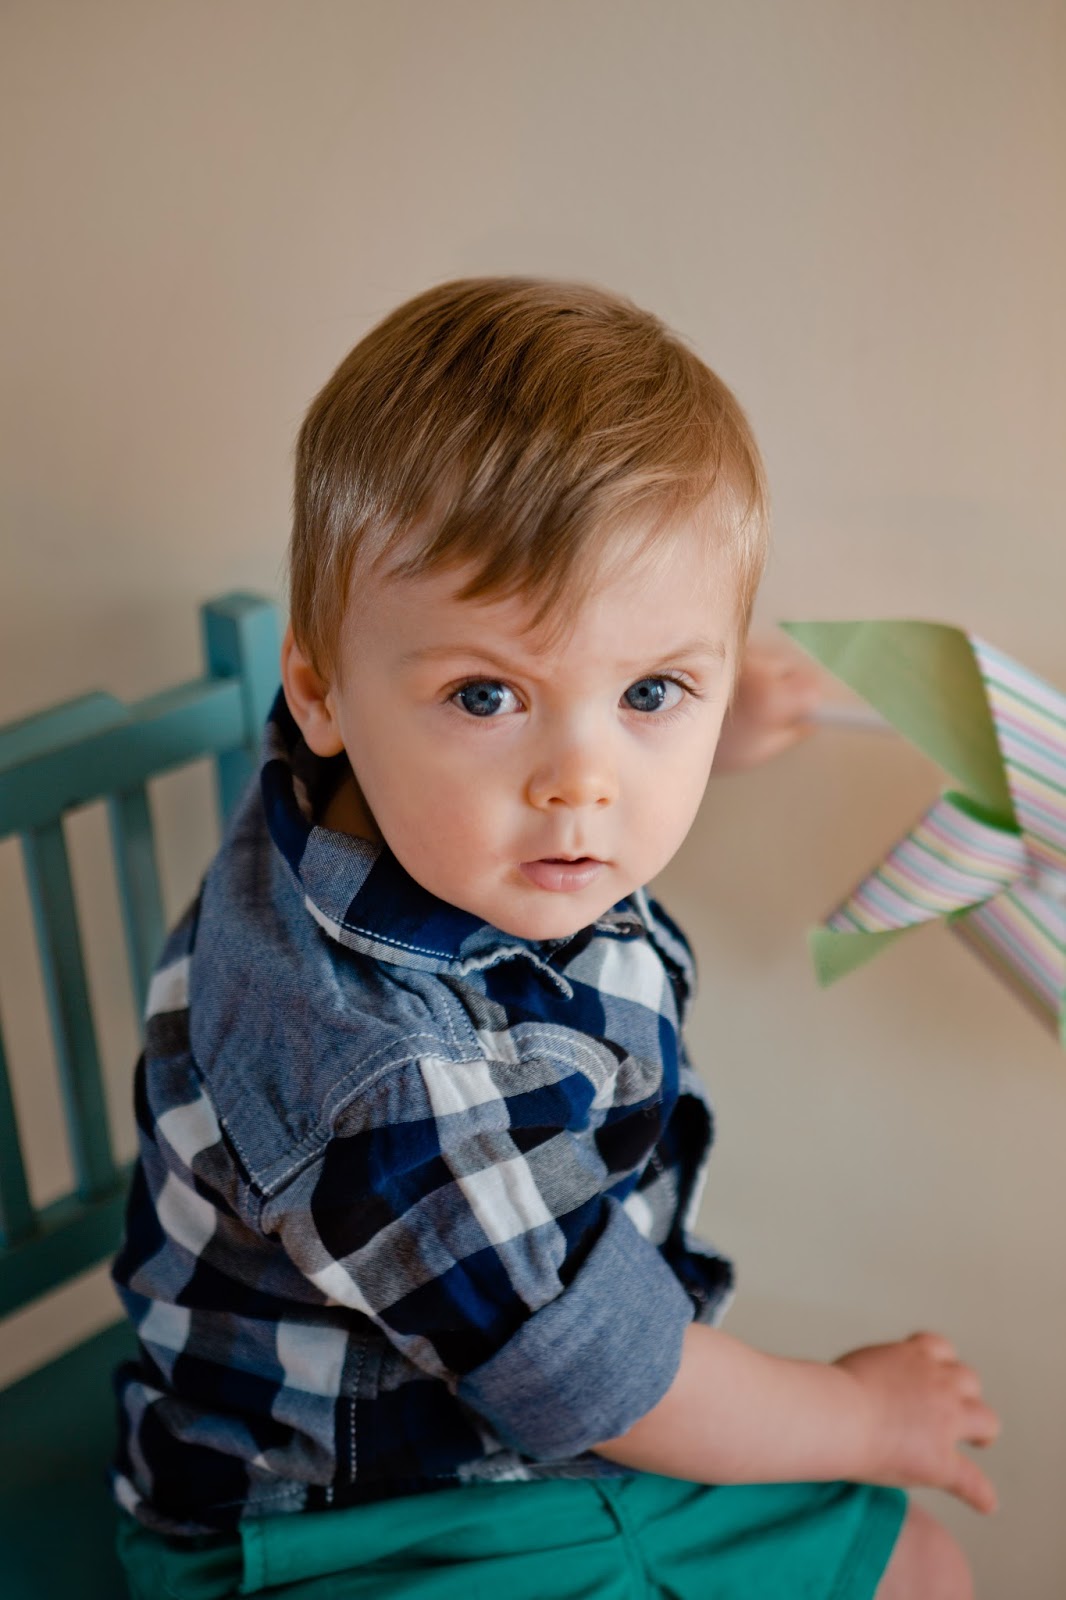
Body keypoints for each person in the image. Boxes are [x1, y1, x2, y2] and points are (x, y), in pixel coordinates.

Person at [110, 277, 998, 1600]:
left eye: (650, 690)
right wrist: (862, 1415)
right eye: (488, 696)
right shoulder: (381, 1070)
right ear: (321, 684)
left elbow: (542, 733)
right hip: (362, 1522)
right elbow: (607, 1382)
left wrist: (712, 724)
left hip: (466, 1423)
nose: (582, 786)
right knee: (915, 1564)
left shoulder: (367, 781)